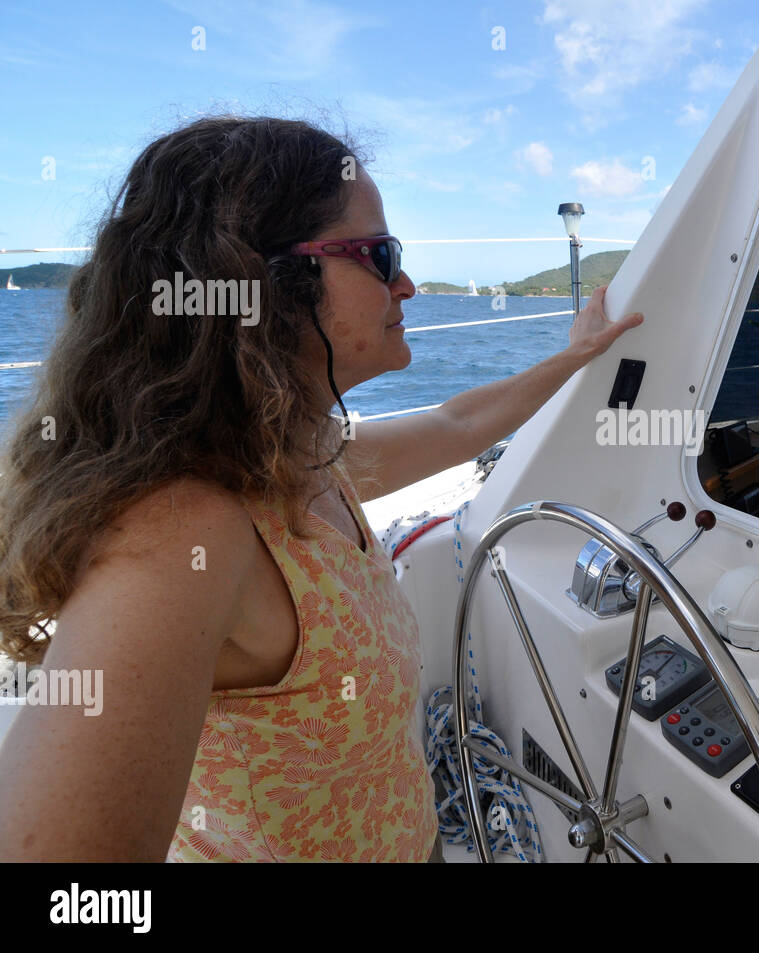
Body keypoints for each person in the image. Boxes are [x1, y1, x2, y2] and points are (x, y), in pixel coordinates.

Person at [0, 116, 642, 861]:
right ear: (266, 283)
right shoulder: (185, 531)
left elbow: (458, 419)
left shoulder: (297, 459)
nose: (404, 283)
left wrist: (575, 357)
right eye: (379, 254)